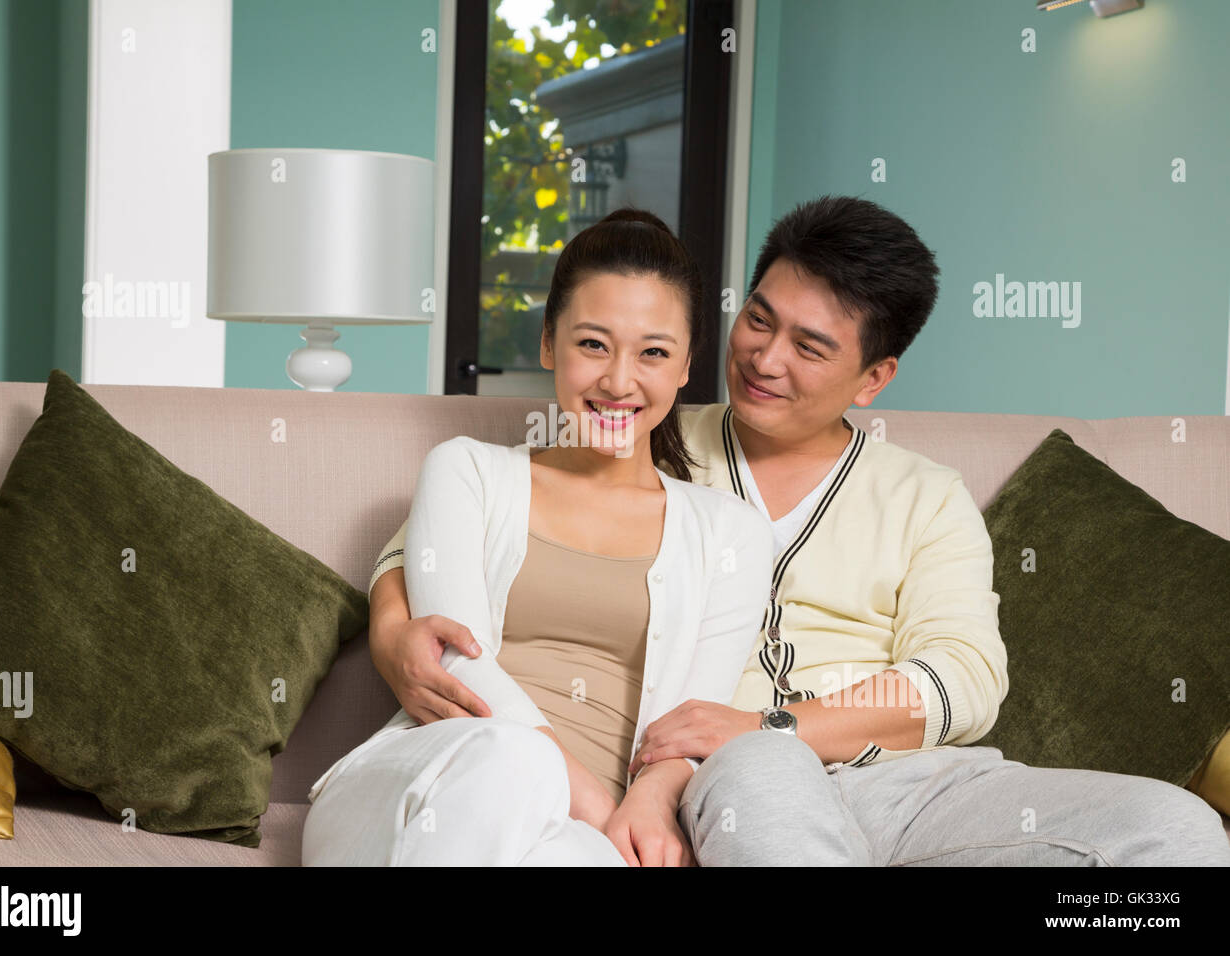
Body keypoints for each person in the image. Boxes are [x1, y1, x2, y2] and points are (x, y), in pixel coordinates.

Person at [366, 194, 1230, 866]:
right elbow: (436, 542)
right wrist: (395, 632)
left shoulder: (925, 494)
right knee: (765, 782)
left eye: (810, 348)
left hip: (913, 789)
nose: (766, 359)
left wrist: (779, 725)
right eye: (758, 320)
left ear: (873, 378)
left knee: (1176, 834)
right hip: (736, 787)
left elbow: (961, 678)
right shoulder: (642, 428)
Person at [301, 208, 772, 866]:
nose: (618, 380)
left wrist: (650, 802)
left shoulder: (734, 533)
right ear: (549, 343)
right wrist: (595, 802)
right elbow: (458, 661)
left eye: (653, 353)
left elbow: (695, 720)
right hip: (420, 788)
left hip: (574, 840)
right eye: (592, 344)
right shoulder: (467, 471)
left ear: (687, 365)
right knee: (514, 758)